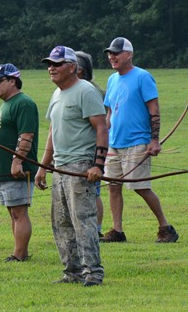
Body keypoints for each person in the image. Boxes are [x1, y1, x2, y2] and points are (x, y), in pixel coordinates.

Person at [33, 46, 108, 286]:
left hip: (80, 166)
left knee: (83, 220)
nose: (51, 68)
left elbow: (101, 128)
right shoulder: (57, 94)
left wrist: (98, 165)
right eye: (49, 64)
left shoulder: (85, 91)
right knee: (61, 222)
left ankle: (93, 273)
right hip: (60, 167)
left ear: (73, 67)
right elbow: (53, 133)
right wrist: (43, 167)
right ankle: (72, 272)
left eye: (57, 64)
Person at [100, 37, 178, 243]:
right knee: (113, 186)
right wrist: (104, 139)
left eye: (116, 53)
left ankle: (166, 227)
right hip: (115, 144)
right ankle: (118, 231)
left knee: (140, 186)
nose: (112, 56)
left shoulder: (143, 77)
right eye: (110, 53)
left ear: (129, 54)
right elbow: (109, 113)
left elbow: (154, 109)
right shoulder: (112, 79)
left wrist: (154, 140)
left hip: (137, 142)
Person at [0, 63, 38, 262]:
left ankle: (20, 254)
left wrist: (17, 162)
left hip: (18, 170)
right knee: (12, 212)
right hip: (2, 169)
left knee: (19, 211)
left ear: (13, 81)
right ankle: (18, 251)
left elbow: (26, 136)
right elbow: (1, 138)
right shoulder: (6, 104)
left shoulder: (23, 103)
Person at [75, 50, 106, 238]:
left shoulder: (91, 91)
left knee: (93, 193)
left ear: (79, 70)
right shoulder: (72, 89)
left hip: (90, 152)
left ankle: (97, 230)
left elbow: (103, 126)